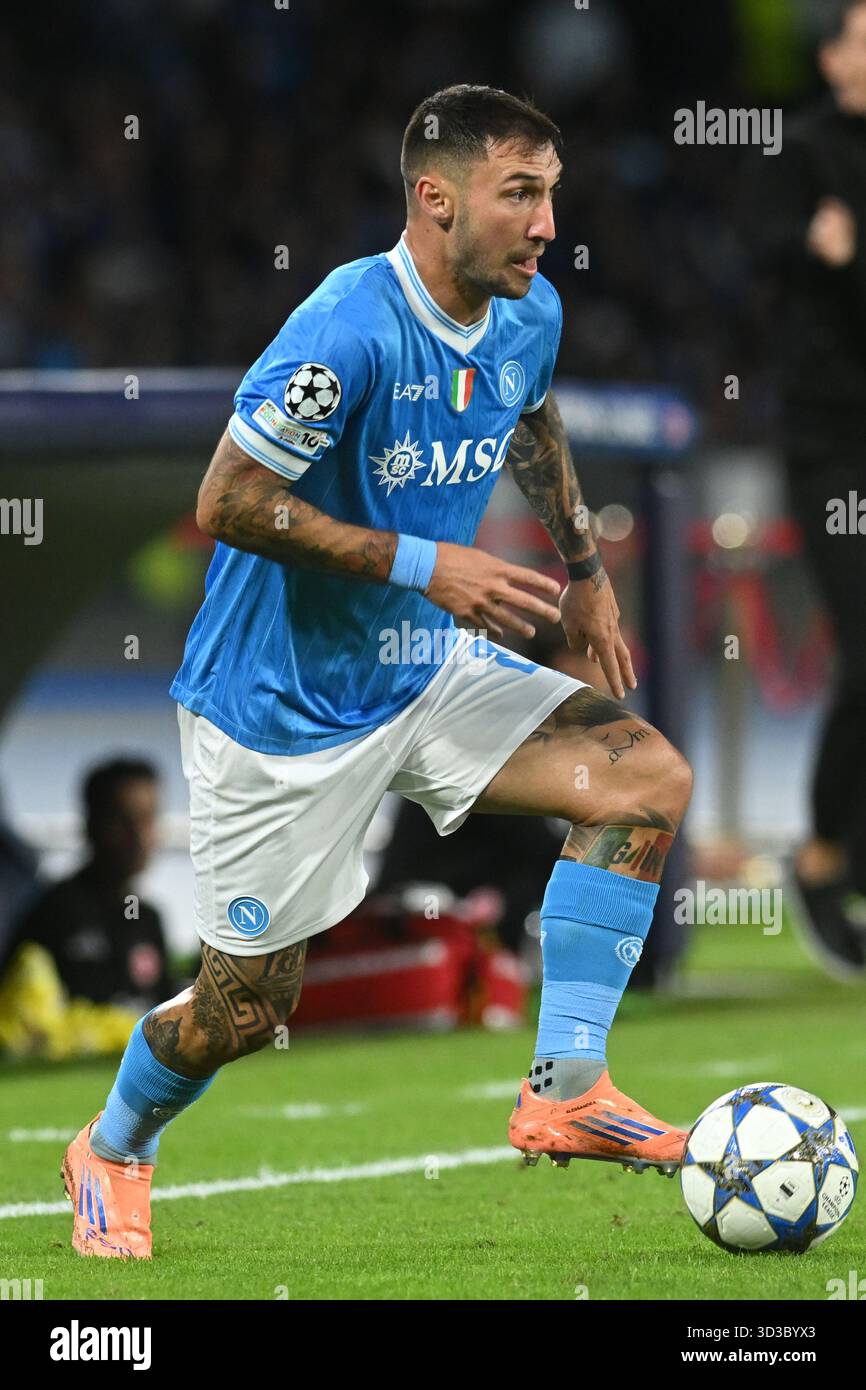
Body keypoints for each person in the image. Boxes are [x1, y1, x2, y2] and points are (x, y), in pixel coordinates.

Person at [62, 85, 693, 1260]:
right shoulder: (343, 328)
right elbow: (227, 502)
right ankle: (113, 1142)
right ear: (435, 198)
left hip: (422, 668)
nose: (548, 222)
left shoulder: (526, 313)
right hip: (280, 706)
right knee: (246, 1011)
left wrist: (585, 570)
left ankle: (566, 1085)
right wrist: (426, 562)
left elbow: (531, 417)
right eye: (520, 194)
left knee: (641, 777)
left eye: (551, 192)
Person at [745, 0, 866, 979]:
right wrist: (806, 246)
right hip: (834, 444)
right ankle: (824, 853)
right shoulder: (800, 151)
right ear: (830, 58)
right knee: (864, 648)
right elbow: (751, 257)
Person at [2, 759, 175, 1010]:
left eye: (147, 819)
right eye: (123, 821)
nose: (138, 836)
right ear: (91, 825)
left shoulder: (145, 916)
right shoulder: (51, 913)